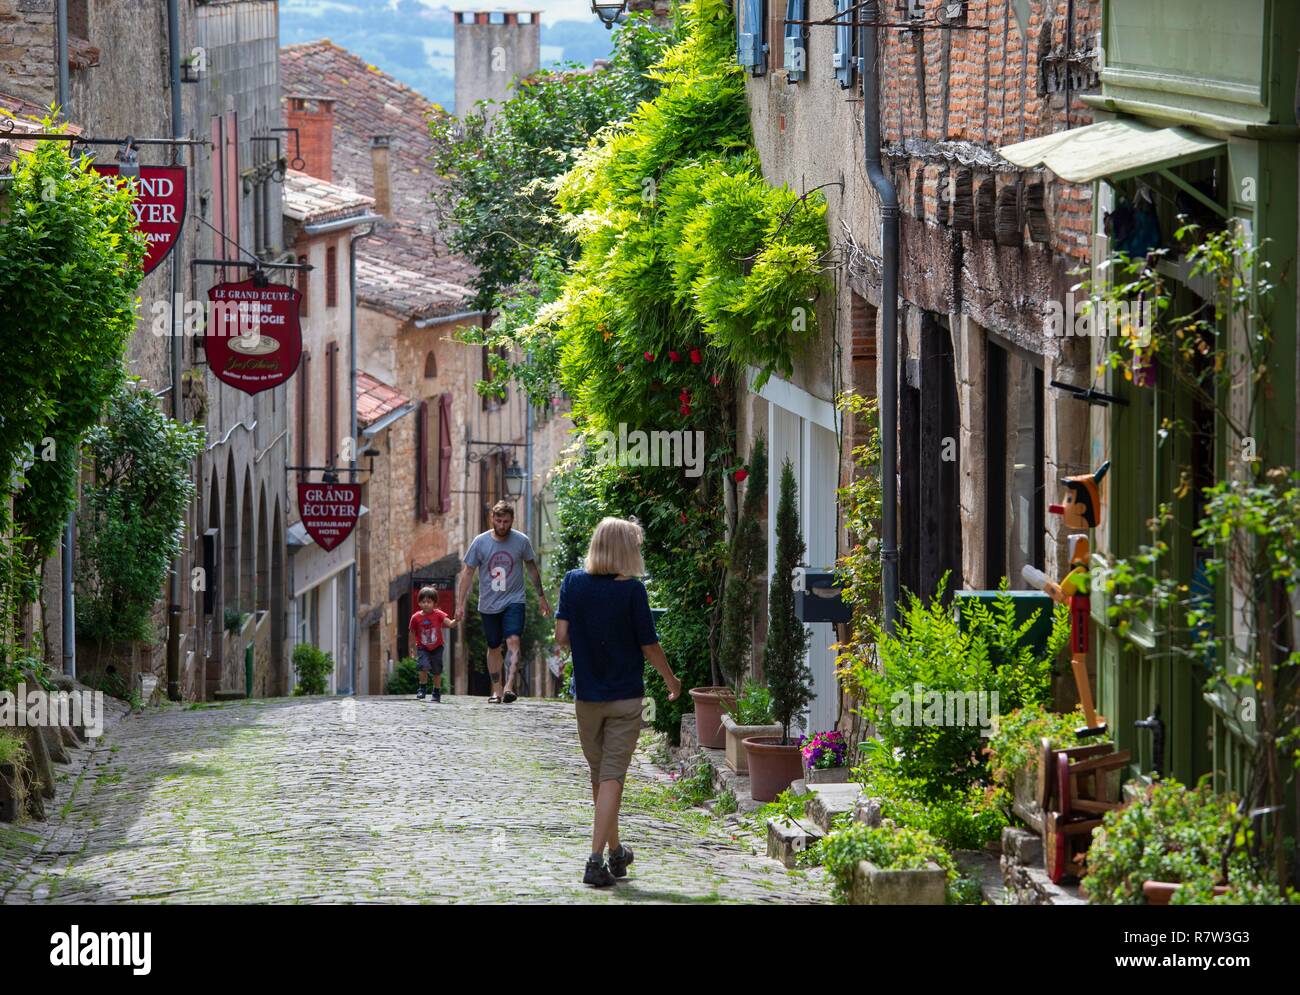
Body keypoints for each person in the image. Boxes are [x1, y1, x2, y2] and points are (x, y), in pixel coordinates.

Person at [554, 516, 681, 887]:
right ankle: (595, 861)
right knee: (612, 778)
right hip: (626, 698)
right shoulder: (633, 591)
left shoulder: (573, 582)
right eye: (636, 547)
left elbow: (561, 636)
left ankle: (616, 853)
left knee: (601, 777)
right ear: (626, 550)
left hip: (588, 697)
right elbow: (649, 645)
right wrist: (671, 681)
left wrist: (587, 629)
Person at [456, 500, 550, 703]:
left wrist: (541, 597)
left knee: (513, 640)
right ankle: (496, 689)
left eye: (506, 521)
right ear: (492, 519)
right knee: (493, 646)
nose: (501, 525)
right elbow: (468, 572)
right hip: (489, 603)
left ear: (512, 520)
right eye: (498, 520)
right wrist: (459, 604)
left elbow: (532, 568)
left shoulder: (521, 541)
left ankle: (508, 686)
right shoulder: (480, 542)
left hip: (514, 600)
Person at [408, 587, 456, 702]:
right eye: (423, 602)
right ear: (419, 602)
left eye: (429, 602)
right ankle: (422, 688)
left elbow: (450, 624)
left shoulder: (439, 614)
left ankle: (436, 691)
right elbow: (412, 633)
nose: (426, 604)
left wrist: (457, 620)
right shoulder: (415, 618)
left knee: (436, 670)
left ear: (434, 603)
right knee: (423, 666)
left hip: (437, 647)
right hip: (422, 647)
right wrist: (412, 648)